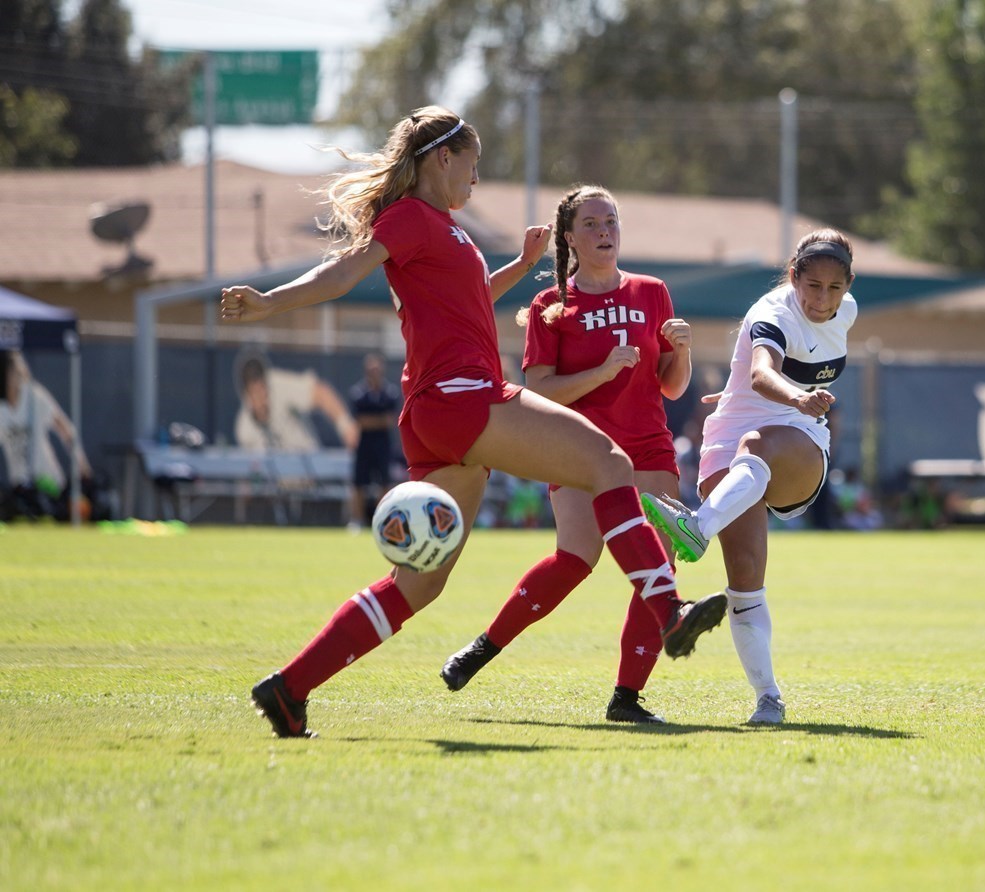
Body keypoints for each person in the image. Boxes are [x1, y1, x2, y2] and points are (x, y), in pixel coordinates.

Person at [220, 106, 725, 739]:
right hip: (463, 398)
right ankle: (667, 609)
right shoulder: (410, 218)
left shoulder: (441, 228)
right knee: (609, 463)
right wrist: (270, 302)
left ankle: (290, 689)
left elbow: (467, 300)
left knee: (420, 584)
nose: (477, 179)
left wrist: (519, 265)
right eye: (474, 164)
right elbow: (344, 272)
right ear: (443, 159)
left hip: (436, 417)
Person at [437, 184, 695, 724]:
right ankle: (484, 647)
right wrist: (602, 372)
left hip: (647, 448)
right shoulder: (551, 305)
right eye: (593, 225)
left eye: (612, 222)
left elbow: (671, 386)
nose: (605, 232)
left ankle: (626, 699)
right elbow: (537, 390)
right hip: (577, 451)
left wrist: (685, 349)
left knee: (660, 569)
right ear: (571, 239)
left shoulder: (652, 291)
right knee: (575, 559)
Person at [640, 229, 858, 725]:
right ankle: (768, 698)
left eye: (834, 287)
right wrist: (787, 394)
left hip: (796, 443)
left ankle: (696, 526)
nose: (822, 299)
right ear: (793, 276)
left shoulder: (847, 311)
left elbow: (768, 380)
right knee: (744, 582)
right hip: (728, 444)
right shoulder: (772, 313)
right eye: (812, 285)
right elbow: (761, 373)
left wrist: (798, 405)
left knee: (758, 444)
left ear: (848, 286)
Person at [0, 350, 92, 521]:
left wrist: (82, 465)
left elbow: (66, 429)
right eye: (12, 368)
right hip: (21, 488)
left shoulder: (34, 396)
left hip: (50, 483)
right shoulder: (2, 408)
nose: (19, 371)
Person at [235, 353, 360, 452]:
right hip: (275, 482)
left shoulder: (280, 385)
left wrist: (345, 426)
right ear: (246, 395)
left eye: (263, 391)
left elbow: (321, 394)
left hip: (310, 473)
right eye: (254, 394)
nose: (261, 400)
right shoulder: (244, 430)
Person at [347, 353, 401, 528]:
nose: (374, 373)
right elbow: (361, 421)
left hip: (383, 445)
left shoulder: (390, 393)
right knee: (359, 484)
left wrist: (372, 421)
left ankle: (382, 521)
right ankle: (357, 520)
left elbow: (390, 420)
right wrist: (378, 421)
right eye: (371, 370)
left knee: (384, 484)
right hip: (364, 445)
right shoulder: (358, 393)